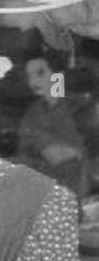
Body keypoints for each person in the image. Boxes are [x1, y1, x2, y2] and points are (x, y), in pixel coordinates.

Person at [16, 51, 87, 198]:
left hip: (75, 192)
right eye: (29, 76)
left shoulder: (79, 105)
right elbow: (24, 154)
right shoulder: (32, 113)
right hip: (38, 192)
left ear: (58, 75)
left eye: (40, 73)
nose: (34, 81)